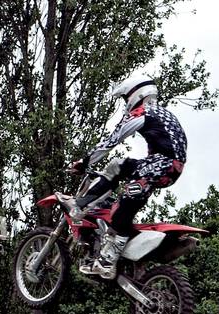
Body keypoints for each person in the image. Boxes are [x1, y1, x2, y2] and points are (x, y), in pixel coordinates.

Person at [57, 73, 187, 277]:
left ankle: (107, 261)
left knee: (120, 211)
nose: (126, 103)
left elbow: (113, 139)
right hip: (167, 167)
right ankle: (82, 206)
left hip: (159, 167)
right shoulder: (164, 114)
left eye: (126, 98)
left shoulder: (144, 112)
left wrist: (84, 162)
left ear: (135, 93)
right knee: (120, 165)